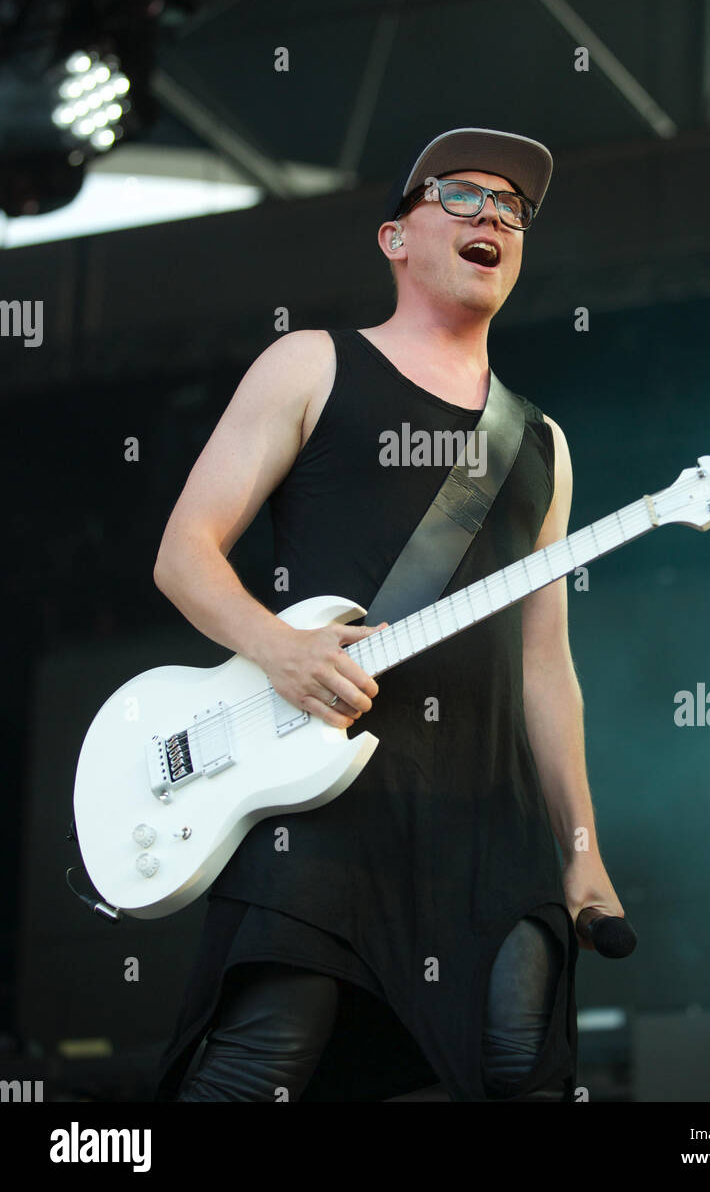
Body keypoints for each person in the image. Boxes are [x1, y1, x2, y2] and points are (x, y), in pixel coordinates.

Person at [151, 127, 623, 1103]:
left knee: (516, 1073)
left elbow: (545, 666)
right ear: (393, 239)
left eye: (511, 207)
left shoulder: (539, 441)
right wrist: (277, 646)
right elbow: (183, 555)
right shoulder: (309, 365)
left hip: (488, 820)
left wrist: (581, 851)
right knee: (258, 1068)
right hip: (318, 803)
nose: (491, 213)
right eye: (458, 195)